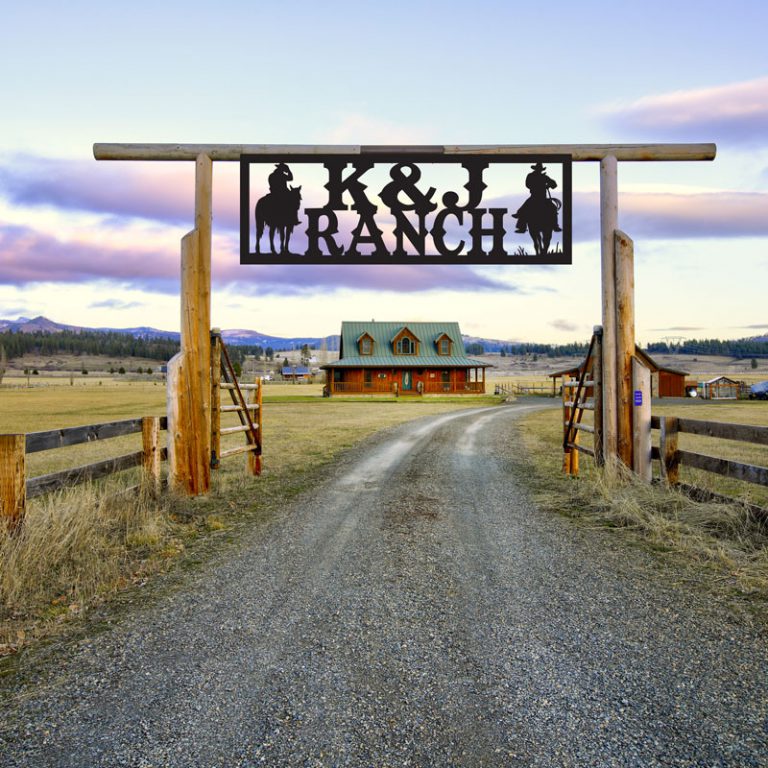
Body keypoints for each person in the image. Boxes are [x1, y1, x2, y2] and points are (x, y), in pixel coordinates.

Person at [513, 161, 561, 233]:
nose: (539, 170)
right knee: (524, 210)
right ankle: (522, 227)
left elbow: (554, 185)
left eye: (540, 169)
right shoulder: (531, 176)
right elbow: (528, 184)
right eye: (539, 169)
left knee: (553, 209)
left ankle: (555, 225)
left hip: (542, 198)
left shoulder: (544, 176)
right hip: (535, 196)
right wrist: (540, 185)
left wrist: (549, 184)